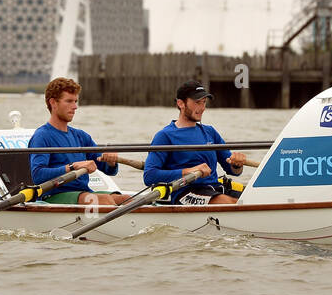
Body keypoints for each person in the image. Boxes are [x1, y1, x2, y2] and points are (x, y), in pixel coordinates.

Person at [29, 78, 131, 206]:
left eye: (75, 101)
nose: (75, 107)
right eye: (69, 101)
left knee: (128, 200)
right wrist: (72, 167)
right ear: (53, 103)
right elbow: (38, 176)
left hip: (82, 193)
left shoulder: (81, 136)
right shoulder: (42, 136)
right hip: (53, 196)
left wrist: (111, 161)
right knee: (104, 200)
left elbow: (110, 171)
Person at [143, 80, 248, 205]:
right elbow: (150, 176)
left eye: (204, 102)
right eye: (197, 103)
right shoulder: (165, 136)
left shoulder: (210, 132)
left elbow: (233, 171)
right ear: (181, 103)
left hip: (215, 188)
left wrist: (237, 164)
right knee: (228, 202)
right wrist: (188, 171)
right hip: (184, 192)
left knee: (256, 198)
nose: (202, 108)